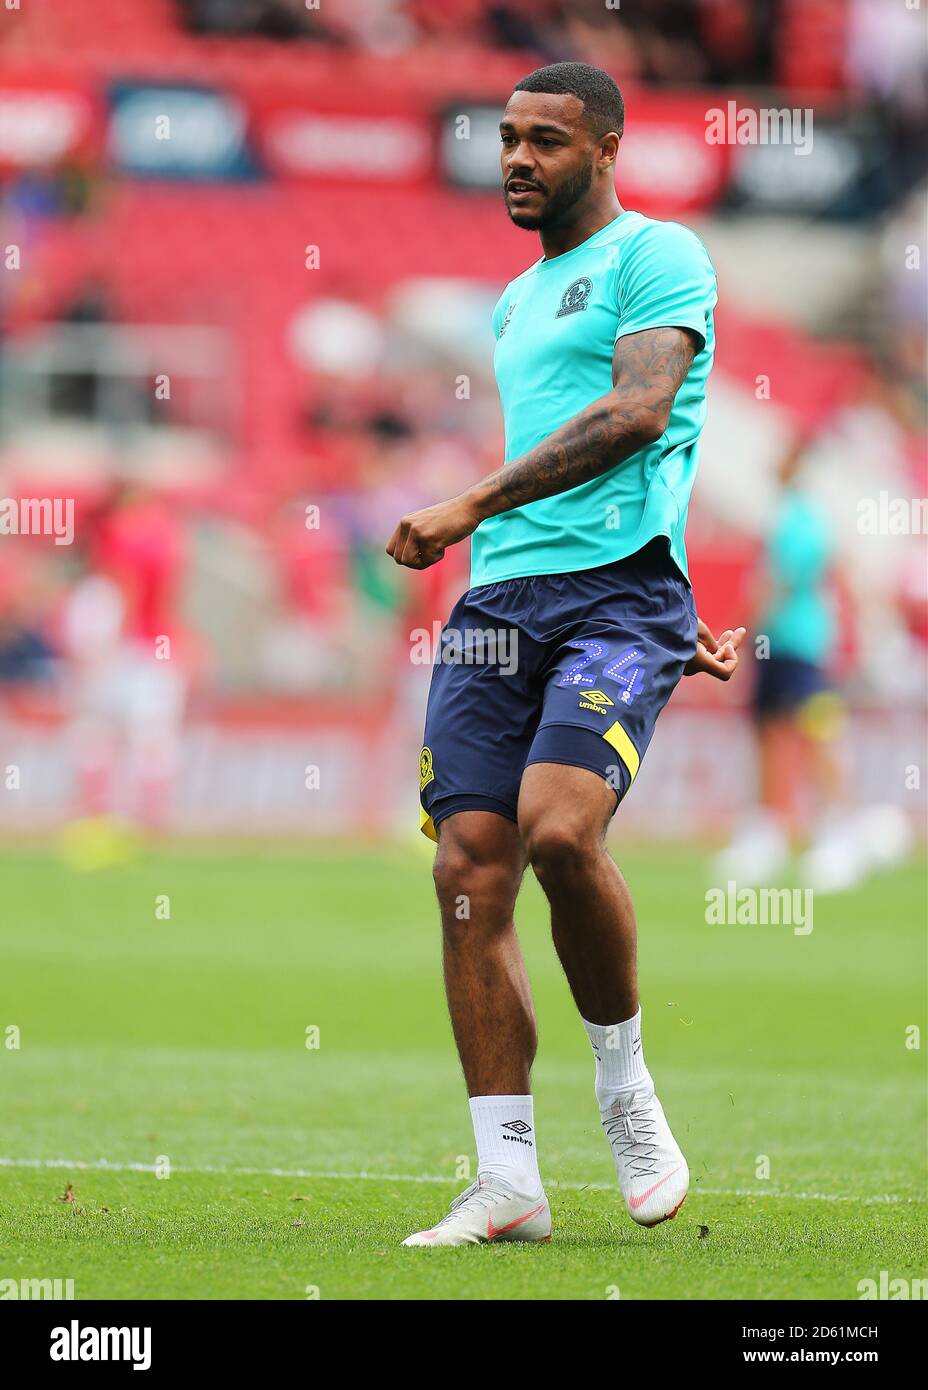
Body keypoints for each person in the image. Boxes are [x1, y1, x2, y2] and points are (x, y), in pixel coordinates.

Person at [386, 62, 744, 1246]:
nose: (516, 160)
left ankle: (626, 1089)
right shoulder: (514, 301)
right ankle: (508, 1179)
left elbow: (641, 414)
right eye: (506, 139)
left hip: (615, 594)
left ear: (605, 150)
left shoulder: (660, 256)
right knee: (466, 869)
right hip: (499, 605)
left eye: (545, 140)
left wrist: (465, 504)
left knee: (555, 830)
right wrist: (493, 530)